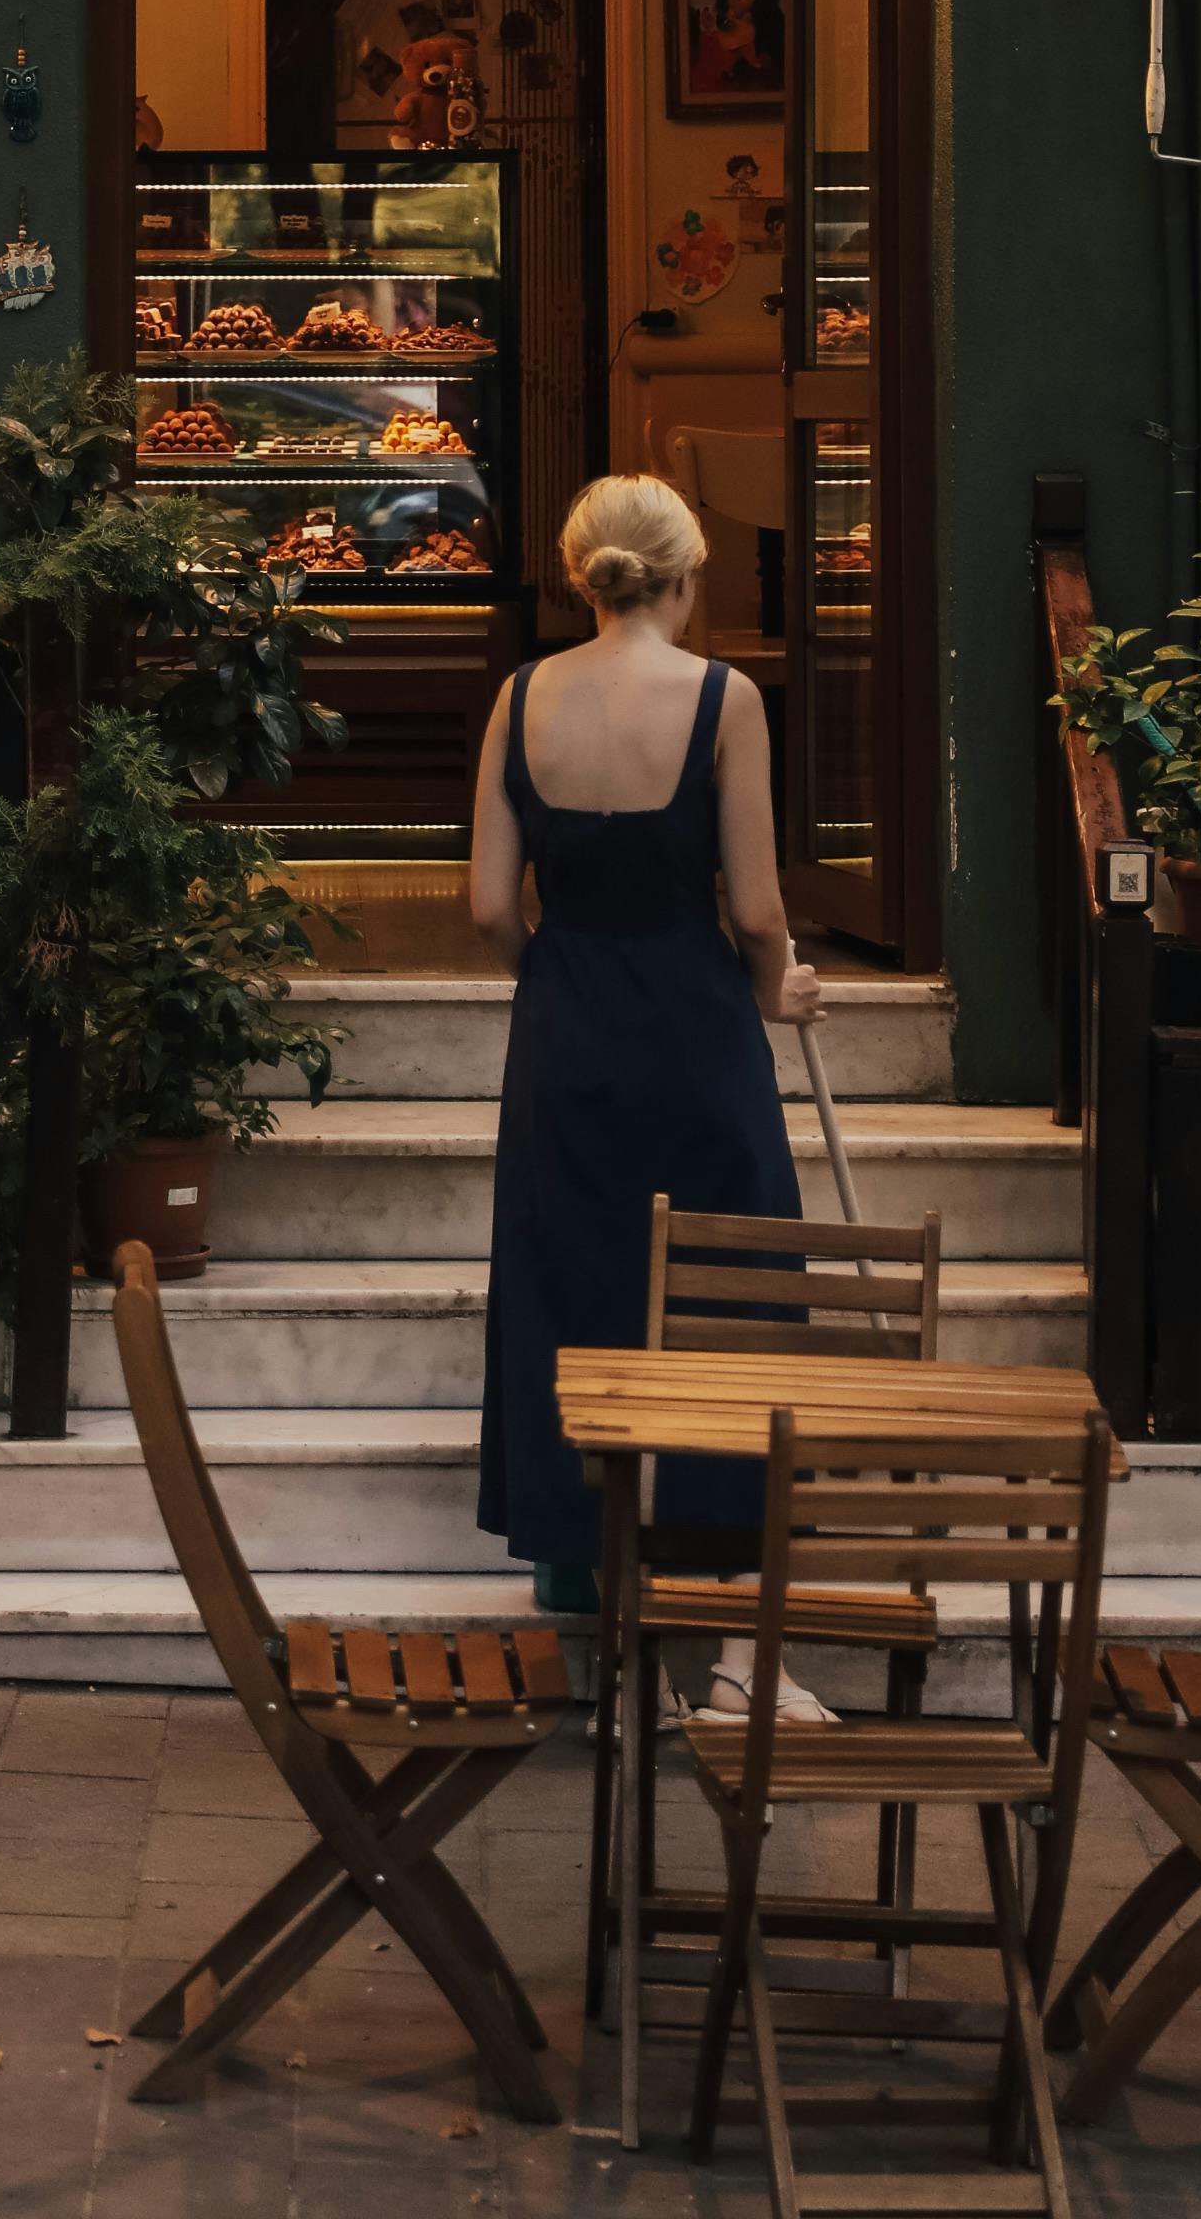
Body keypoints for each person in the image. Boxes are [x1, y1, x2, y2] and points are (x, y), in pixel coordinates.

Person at [472, 471, 829, 1716]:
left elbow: (483, 904)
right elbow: (758, 908)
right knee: (736, 1308)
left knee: (579, 1301)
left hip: (567, 1038)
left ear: (583, 575)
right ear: (690, 577)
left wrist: (560, 975)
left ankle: (613, 1647)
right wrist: (781, 985)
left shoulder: (520, 699)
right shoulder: (726, 701)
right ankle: (740, 1656)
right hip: (698, 1036)